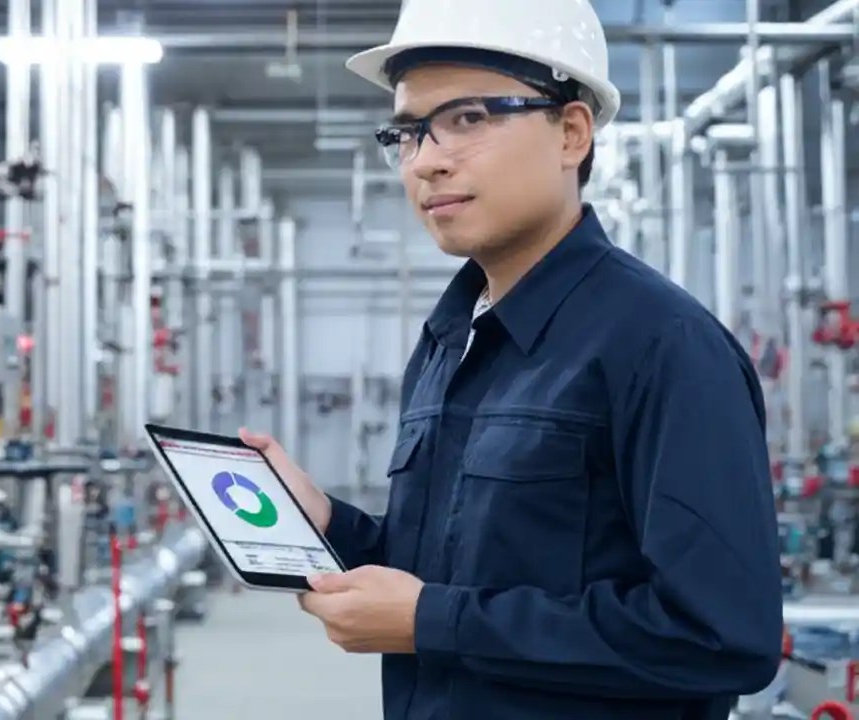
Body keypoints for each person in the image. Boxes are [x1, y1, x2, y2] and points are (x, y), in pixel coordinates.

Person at [238, 0, 783, 718]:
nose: (428, 159)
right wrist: (327, 524)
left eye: (469, 118)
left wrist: (432, 621)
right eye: (407, 131)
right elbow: (448, 572)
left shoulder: (660, 346)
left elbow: (721, 638)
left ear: (571, 133)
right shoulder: (449, 341)